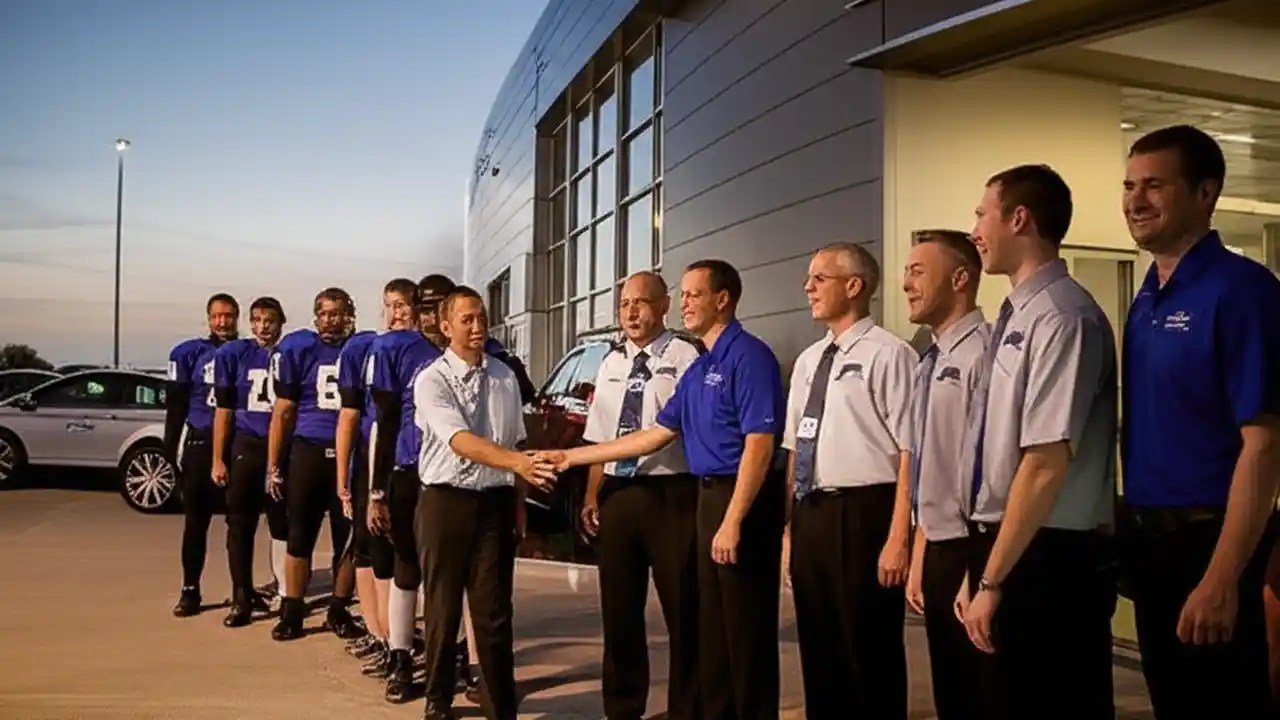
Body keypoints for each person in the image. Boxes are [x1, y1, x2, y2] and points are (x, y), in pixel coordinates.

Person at [540, 259, 786, 719]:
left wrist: (732, 520)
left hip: (726, 499)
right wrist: (571, 458)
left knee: (741, 634)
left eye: (693, 295)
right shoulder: (702, 366)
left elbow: (760, 444)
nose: (687, 303)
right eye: (686, 294)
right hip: (701, 499)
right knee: (713, 631)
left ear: (722, 299)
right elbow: (652, 433)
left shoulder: (744, 356)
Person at [1119, 124, 1280, 719]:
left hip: (1210, 546)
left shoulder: (1242, 291)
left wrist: (1221, 579)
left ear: (1206, 192)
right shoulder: (1148, 297)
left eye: (1155, 185)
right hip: (1153, 548)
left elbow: (1263, 449)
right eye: (1130, 185)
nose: (1136, 200)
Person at [957, 164, 1118, 719]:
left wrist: (994, 577)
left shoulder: (1062, 317)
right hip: (1011, 544)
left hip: (1049, 558)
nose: (974, 228)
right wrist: (979, 569)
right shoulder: (1016, 316)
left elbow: (1045, 463)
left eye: (981, 213)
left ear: (1018, 217)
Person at [784, 242, 916, 718]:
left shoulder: (891, 354)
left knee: (869, 650)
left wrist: (900, 536)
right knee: (819, 649)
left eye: (819, 278)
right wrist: (789, 530)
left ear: (854, 286)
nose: (808, 288)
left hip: (867, 514)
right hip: (812, 513)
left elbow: (910, 451)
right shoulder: (806, 362)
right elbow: (796, 447)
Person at [413, 286, 556, 720]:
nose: (477, 327)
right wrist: (518, 463)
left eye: (481, 318)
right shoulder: (431, 380)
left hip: (493, 503)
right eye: (466, 320)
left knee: (493, 611)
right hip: (444, 503)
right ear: (445, 326)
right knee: (442, 606)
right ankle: (438, 698)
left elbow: (514, 439)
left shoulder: (504, 377)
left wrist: (518, 503)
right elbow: (461, 441)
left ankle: (499, 702)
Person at [578, 271, 703, 720]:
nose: (631, 312)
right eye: (624, 304)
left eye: (641, 303)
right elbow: (599, 439)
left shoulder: (687, 355)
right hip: (619, 494)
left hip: (671, 494)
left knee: (684, 610)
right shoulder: (610, 363)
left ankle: (688, 709)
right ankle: (623, 708)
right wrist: (592, 496)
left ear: (664, 305)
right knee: (620, 613)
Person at [901, 231, 990, 719]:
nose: (905, 283)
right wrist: (920, 553)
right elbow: (927, 468)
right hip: (937, 549)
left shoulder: (986, 354)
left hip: (973, 549)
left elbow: (996, 473)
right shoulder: (929, 360)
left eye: (918, 271)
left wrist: (980, 570)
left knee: (979, 696)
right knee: (950, 693)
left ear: (960, 278)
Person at [267, 287, 362, 641]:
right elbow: (283, 410)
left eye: (336, 313)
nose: (329, 320)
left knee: (348, 539)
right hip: (308, 449)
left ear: (349, 314)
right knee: (299, 536)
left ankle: (338, 607)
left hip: (349, 454)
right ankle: (292, 609)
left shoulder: (362, 347)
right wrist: (274, 464)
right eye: (323, 313)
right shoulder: (299, 348)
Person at [367, 276, 445, 702]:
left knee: (448, 571)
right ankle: (400, 656)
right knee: (406, 565)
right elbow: (385, 420)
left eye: (438, 308)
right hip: (408, 468)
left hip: (452, 475)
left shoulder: (472, 347)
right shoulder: (394, 348)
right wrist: (376, 490)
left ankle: (451, 654)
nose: (430, 317)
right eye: (425, 308)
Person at [336, 288, 405, 672]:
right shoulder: (367, 350)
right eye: (390, 306)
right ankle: (381, 636)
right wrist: (342, 475)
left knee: (398, 560)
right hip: (371, 460)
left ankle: (399, 641)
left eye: (402, 306)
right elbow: (349, 417)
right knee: (368, 550)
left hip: (408, 463)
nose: (396, 314)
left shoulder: (424, 352)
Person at [212, 296, 289, 627]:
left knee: (283, 524)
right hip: (247, 443)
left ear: (281, 323)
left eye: (269, 320)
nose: (263, 326)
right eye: (257, 319)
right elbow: (224, 410)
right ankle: (241, 596)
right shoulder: (234, 354)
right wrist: (218, 457)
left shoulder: (290, 354)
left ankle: (288, 593)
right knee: (240, 525)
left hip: (283, 447)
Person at [166, 292, 240, 617]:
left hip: (237, 444)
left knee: (240, 523)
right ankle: (190, 589)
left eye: (228, 315)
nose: (222, 322)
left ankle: (243, 590)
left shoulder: (247, 352)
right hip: (199, 443)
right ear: (208, 318)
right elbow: (176, 405)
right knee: (196, 522)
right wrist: (170, 451)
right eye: (216, 316)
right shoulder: (189, 353)